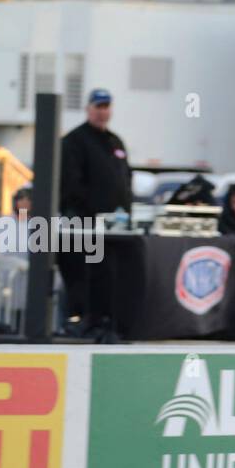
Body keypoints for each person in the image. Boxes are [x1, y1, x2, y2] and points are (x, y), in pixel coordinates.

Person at [59, 88, 133, 334]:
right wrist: (96, 211)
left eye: (106, 107)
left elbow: (125, 179)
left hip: (115, 229)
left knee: (111, 277)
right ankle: (84, 321)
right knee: (86, 277)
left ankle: (107, 321)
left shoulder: (115, 141)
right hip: (85, 228)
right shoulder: (74, 141)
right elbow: (71, 184)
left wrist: (124, 212)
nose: (103, 112)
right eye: (98, 107)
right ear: (88, 109)